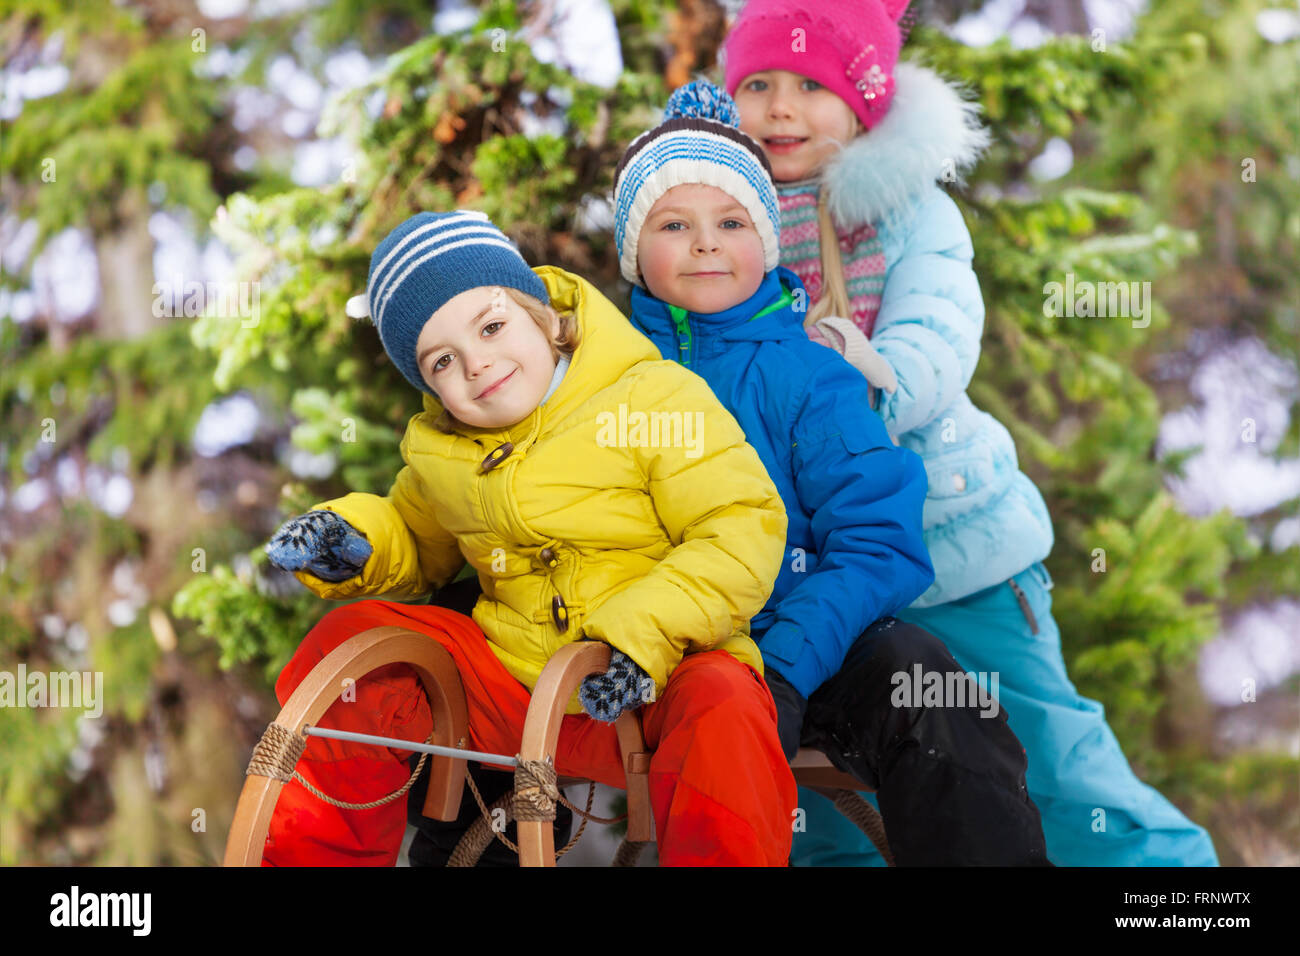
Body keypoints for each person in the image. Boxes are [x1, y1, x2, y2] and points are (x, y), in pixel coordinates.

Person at [721, 0, 1218, 866]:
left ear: (865, 102)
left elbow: (939, 329)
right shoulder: (724, 225)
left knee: (1054, 768)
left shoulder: (909, 211)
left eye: (810, 85)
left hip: (958, 551)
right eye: (757, 84)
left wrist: (868, 378)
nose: (779, 108)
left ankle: (1172, 885)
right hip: (821, 581)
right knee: (833, 809)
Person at [261, 209, 797, 866]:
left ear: (541, 314)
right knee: (355, 648)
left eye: (491, 327)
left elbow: (740, 524)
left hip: (657, 675)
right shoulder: (447, 454)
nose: (478, 364)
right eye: (443, 362)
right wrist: (354, 541)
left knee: (727, 709)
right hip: (512, 682)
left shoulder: (652, 400)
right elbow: (414, 534)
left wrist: (642, 636)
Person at [612, 79, 1050, 865]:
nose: (706, 243)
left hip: (803, 649)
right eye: (674, 223)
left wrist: (784, 663)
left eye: (732, 221)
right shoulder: (609, 382)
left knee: (930, 686)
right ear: (634, 252)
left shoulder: (812, 374)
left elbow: (877, 539)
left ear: (767, 239)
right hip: (661, 658)